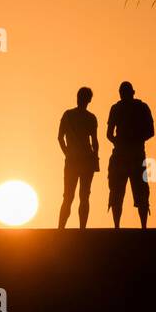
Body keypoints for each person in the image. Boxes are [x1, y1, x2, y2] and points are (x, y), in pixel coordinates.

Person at [106, 81, 154, 229]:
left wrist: (124, 142)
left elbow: (109, 135)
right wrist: (122, 143)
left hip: (134, 155)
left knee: (135, 192)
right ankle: (127, 227)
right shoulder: (137, 107)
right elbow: (109, 134)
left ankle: (127, 227)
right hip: (131, 155)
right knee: (118, 191)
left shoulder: (137, 107)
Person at [58, 87, 99, 229]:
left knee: (69, 197)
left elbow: (60, 138)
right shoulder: (91, 118)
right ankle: (82, 229)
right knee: (83, 196)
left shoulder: (68, 115)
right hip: (86, 160)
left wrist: (67, 153)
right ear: (89, 100)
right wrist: (95, 158)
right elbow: (95, 142)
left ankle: (61, 229)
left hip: (73, 160)